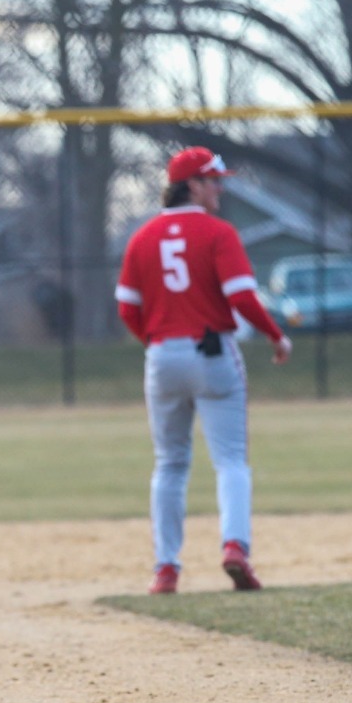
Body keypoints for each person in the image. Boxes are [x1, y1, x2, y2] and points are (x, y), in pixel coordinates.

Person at [116, 147, 292, 595]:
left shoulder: (142, 238)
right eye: (213, 180)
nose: (220, 188)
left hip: (162, 355)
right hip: (213, 351)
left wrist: (156, 341)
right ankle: (234, 547)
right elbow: (242, 298)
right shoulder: (218, 233)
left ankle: (166, 568)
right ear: (192, 184)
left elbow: (127, 308)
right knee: (231, 460)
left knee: (170, 464)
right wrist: (276, 335)